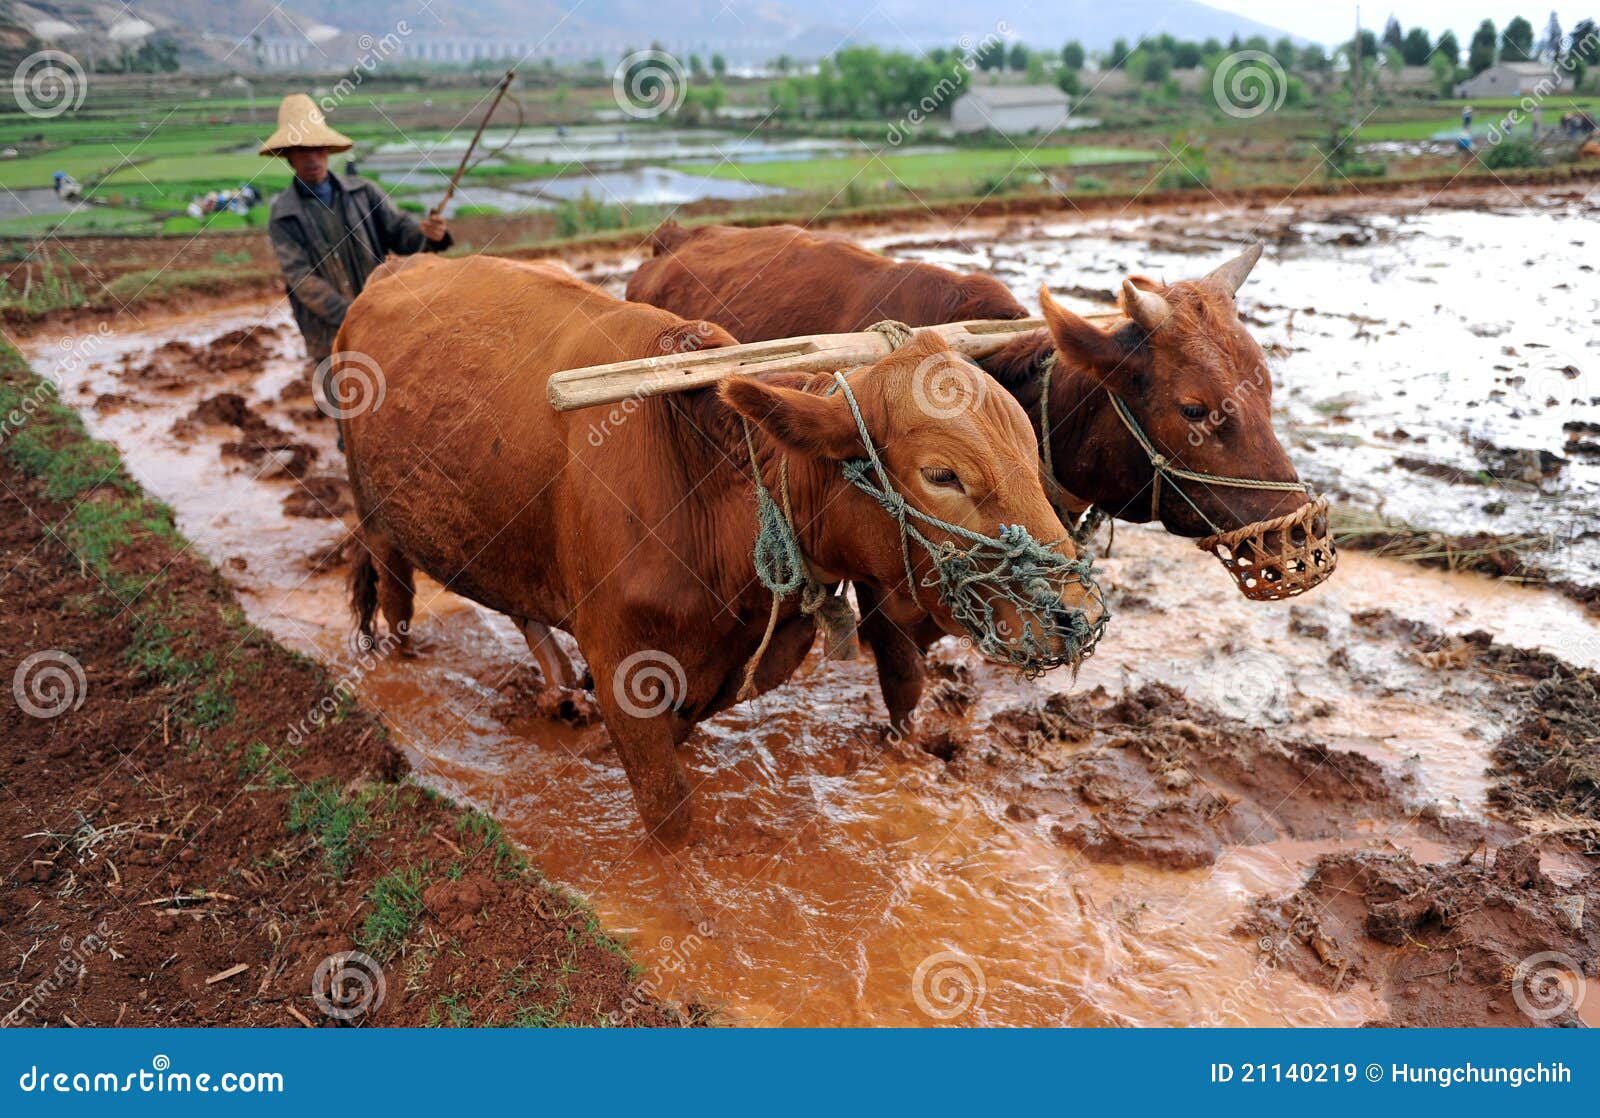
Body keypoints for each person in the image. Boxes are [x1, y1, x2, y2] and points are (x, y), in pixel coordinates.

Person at [260, 93, 452, 402]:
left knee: (394, 400)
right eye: (302, 150)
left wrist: (428, 233)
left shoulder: (363, 193)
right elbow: (301, 279)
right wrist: (351, 313)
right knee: (348, 411)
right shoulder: (284, 214)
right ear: (289, 156)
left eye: (317, 149)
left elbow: (400, 231)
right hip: (330, 333)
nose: (312, 158)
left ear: (327, 150)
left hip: (381, 320)